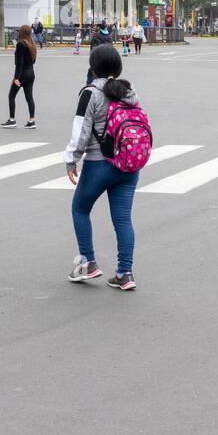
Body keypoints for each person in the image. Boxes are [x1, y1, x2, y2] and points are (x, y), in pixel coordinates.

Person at [63, 43, 141, 291]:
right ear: (118, 67)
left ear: (93, 67)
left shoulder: (90, 93)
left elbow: (81, 132)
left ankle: (88, 263)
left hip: (99, 164)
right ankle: (125, 273)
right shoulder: (129, 91)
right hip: (128, 165)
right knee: (123, 220)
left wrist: (71, 159)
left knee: (80, 209)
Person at [2, 24, 37, 130]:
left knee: (11, 96)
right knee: (29, 97)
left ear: (21, 32)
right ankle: (32, 120)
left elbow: (19, 63)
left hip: (22, 74)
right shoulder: (32, 44)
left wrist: (17, 78)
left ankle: (12, 120)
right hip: (31, 73)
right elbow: (34, 61)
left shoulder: (21, 44)